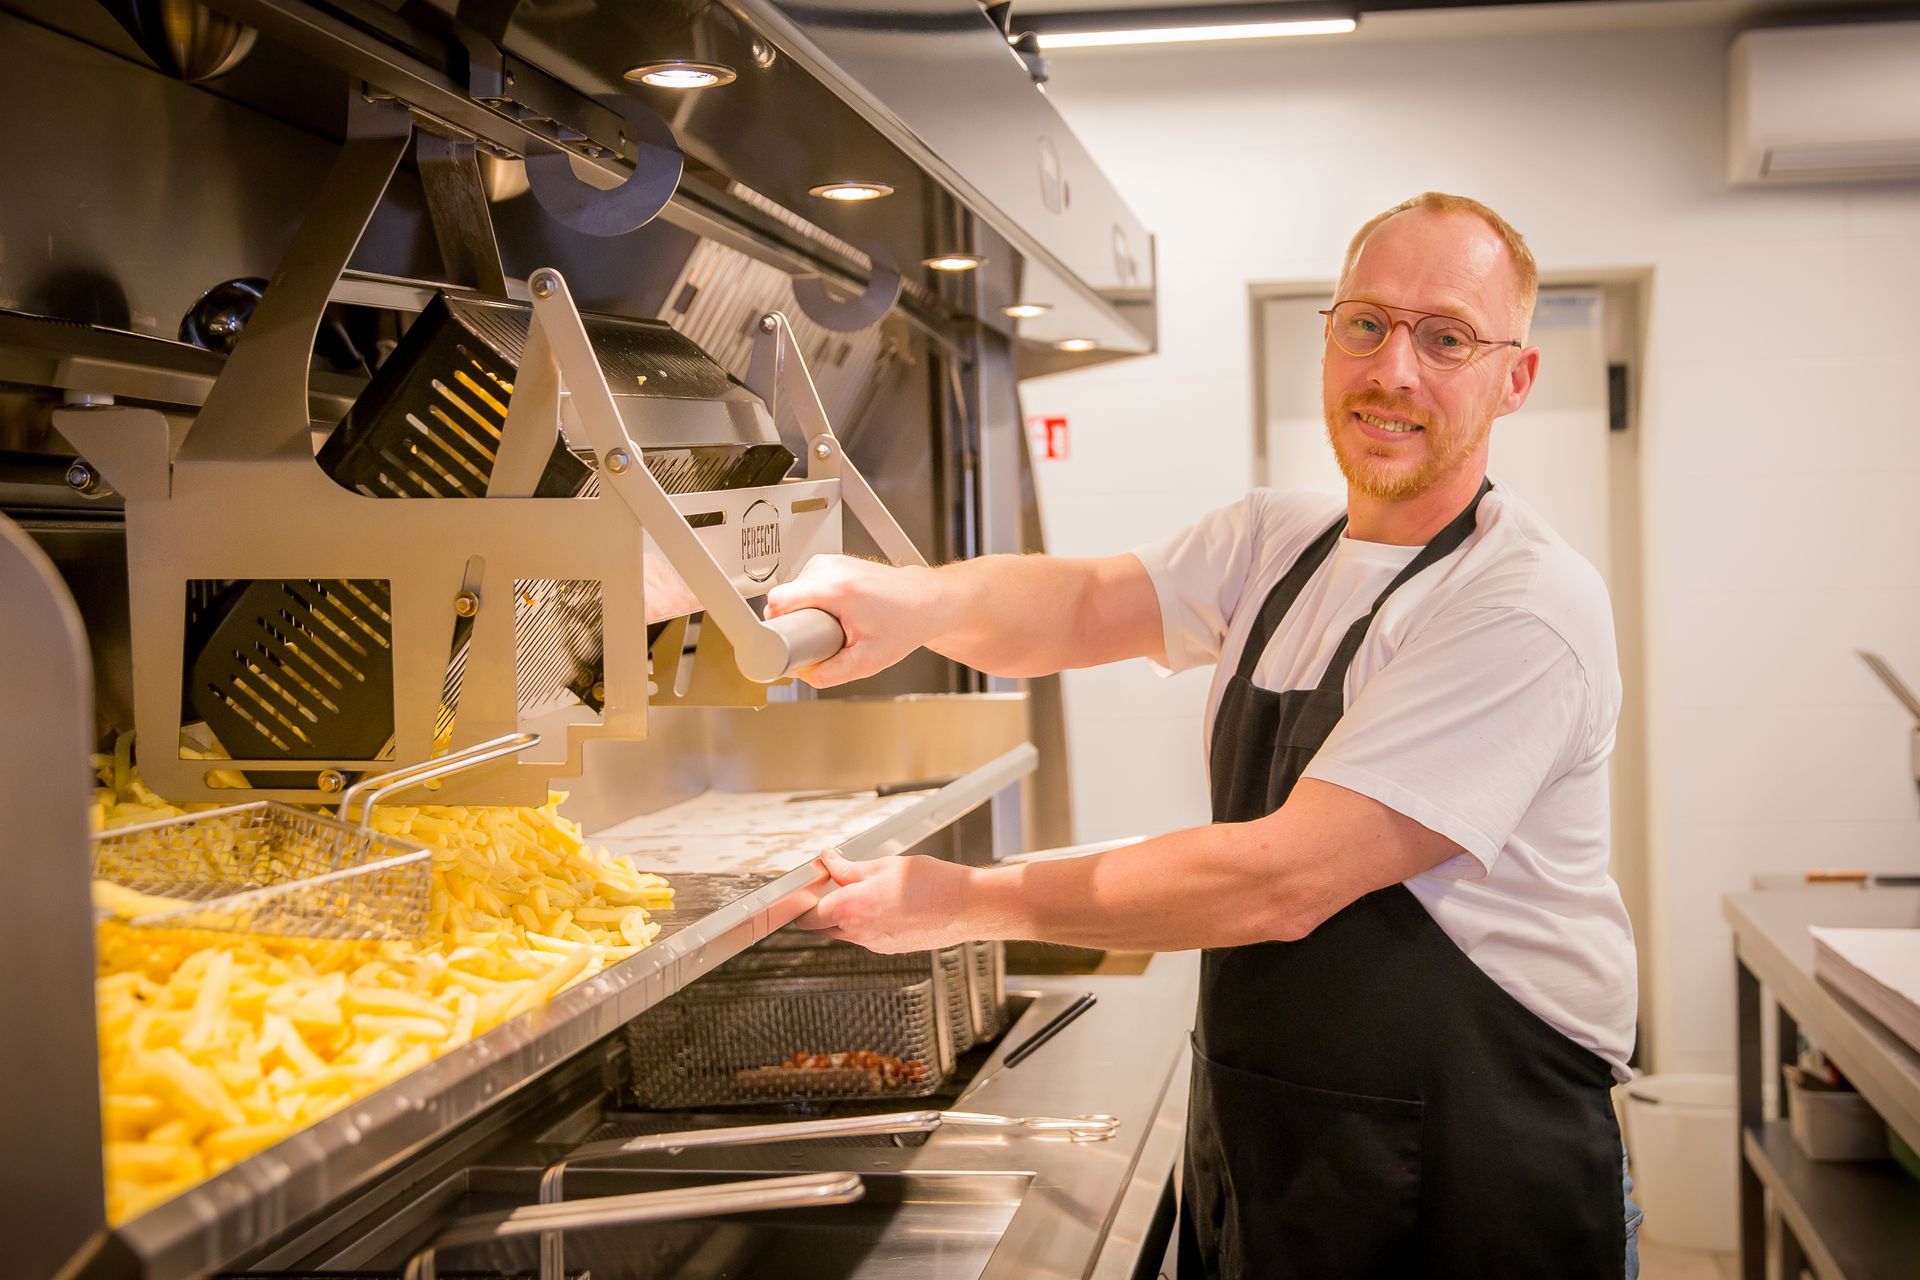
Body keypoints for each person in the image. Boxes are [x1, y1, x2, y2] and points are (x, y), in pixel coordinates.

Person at [768, 192, 1639, 1278]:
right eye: (1365, 323)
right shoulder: (1276, 540)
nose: (1394, 370)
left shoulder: (1523, 600)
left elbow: (1279, 878)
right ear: (1329, 335)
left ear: (1515, 377)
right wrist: (914, 603)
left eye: (1446, 337)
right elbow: (1084, 603)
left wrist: (968, 900)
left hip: (1476, 1169)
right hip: (1282, 1148)